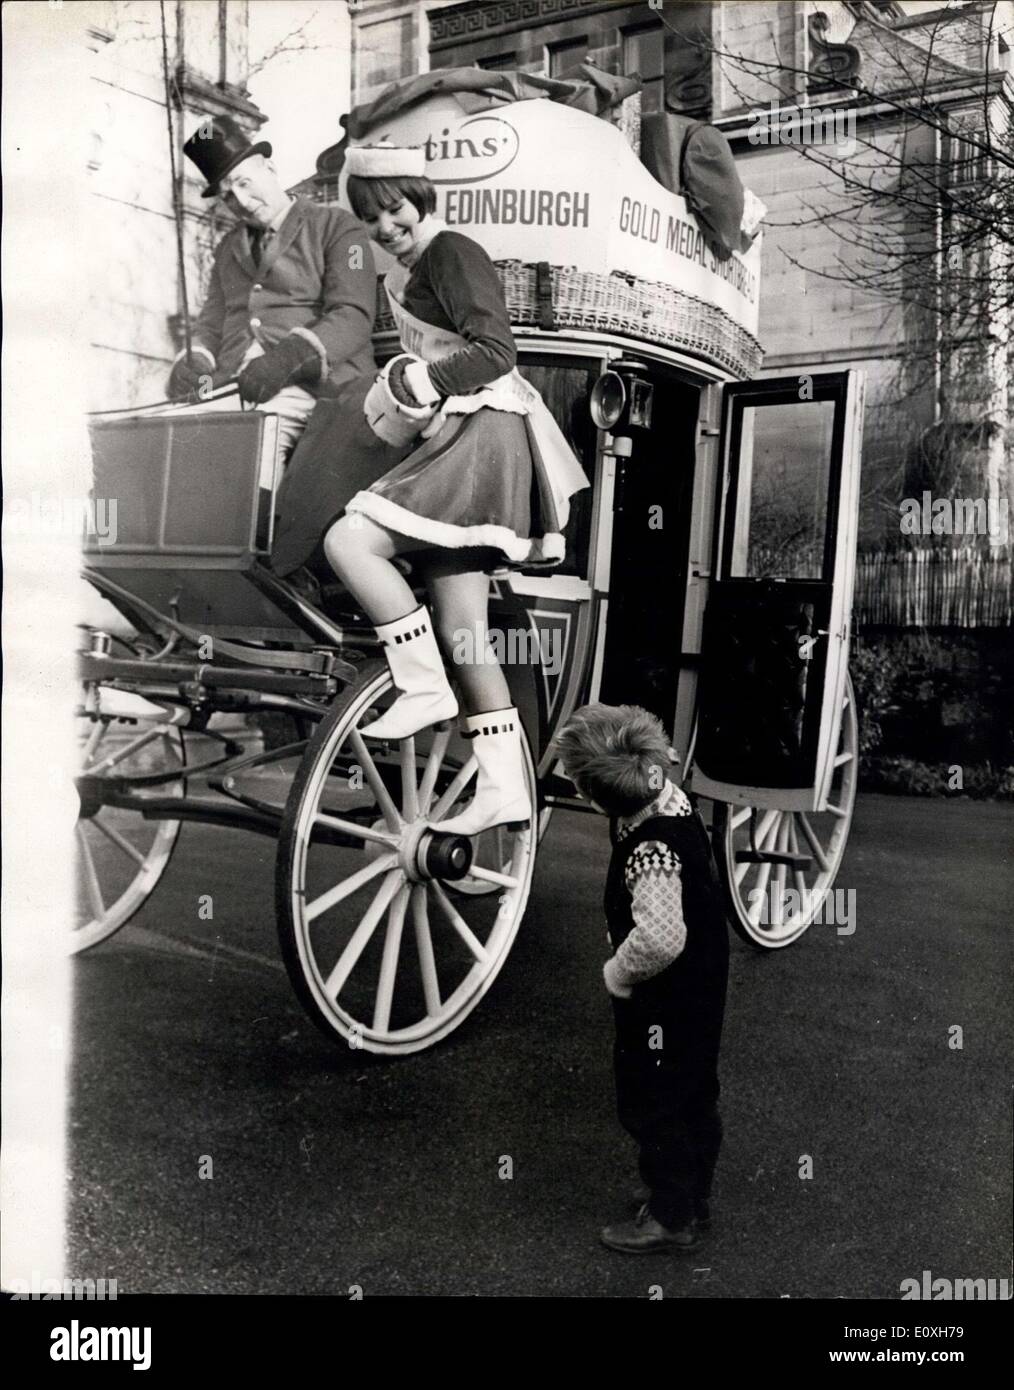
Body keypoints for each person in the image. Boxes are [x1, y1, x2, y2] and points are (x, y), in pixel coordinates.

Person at [323, 142, 588, 837]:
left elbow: (498, 351)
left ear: (421, 196)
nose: (384, 227)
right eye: (369, 218)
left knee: (349, 541)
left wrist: (426, 381)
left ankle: (420, 683)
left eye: (394, 209)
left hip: (485, 433)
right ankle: (505, 786)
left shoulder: (451, 252)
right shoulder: (409, 275)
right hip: (464, 435)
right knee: (465, 632)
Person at [553, 703, 730, 1254]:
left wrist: (617, 972)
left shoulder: (650, 850)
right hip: (702, 986)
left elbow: (658, 938)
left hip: (664, 994)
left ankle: (671, 1217)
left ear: (593, 796)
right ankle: (688, 1195)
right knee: (694, 1089)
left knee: (650, 1100)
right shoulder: (673, 803)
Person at [167, 115, 376, 477]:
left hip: (312, 387)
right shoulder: (227, 248)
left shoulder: (339, 228)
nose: (243, 202)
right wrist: (196, 359)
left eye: (245, 183)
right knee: (165, 442)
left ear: (271, 168)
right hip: (232, 387)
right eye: (229, 196)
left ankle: (257, 534)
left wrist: (288, 358)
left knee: (252, 455)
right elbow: (210, 325)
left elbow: (353, 314)